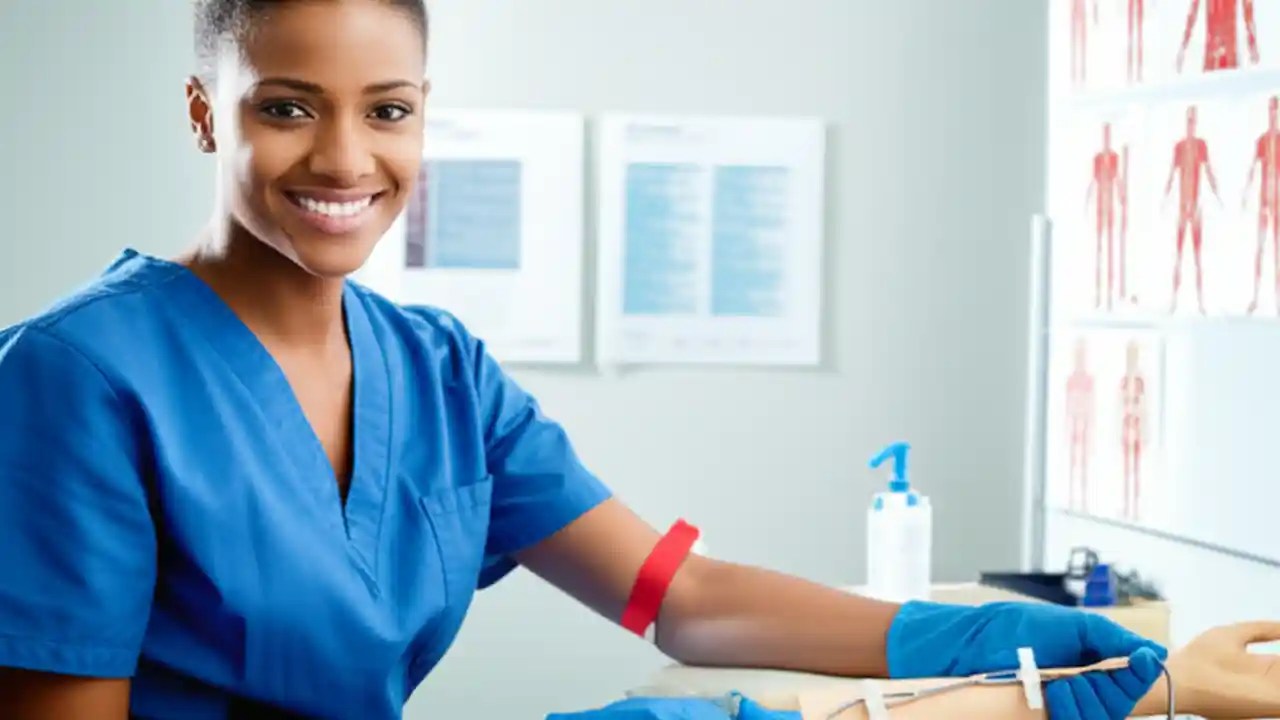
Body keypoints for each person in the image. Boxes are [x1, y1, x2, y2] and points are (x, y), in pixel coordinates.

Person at [0, 2, 1163, 719]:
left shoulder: (439, 373)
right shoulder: (76, 377)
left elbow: (684, 602)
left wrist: (979, 637)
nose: (346, 157)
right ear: (208, 112)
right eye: (290, 108)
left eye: (389, 110)